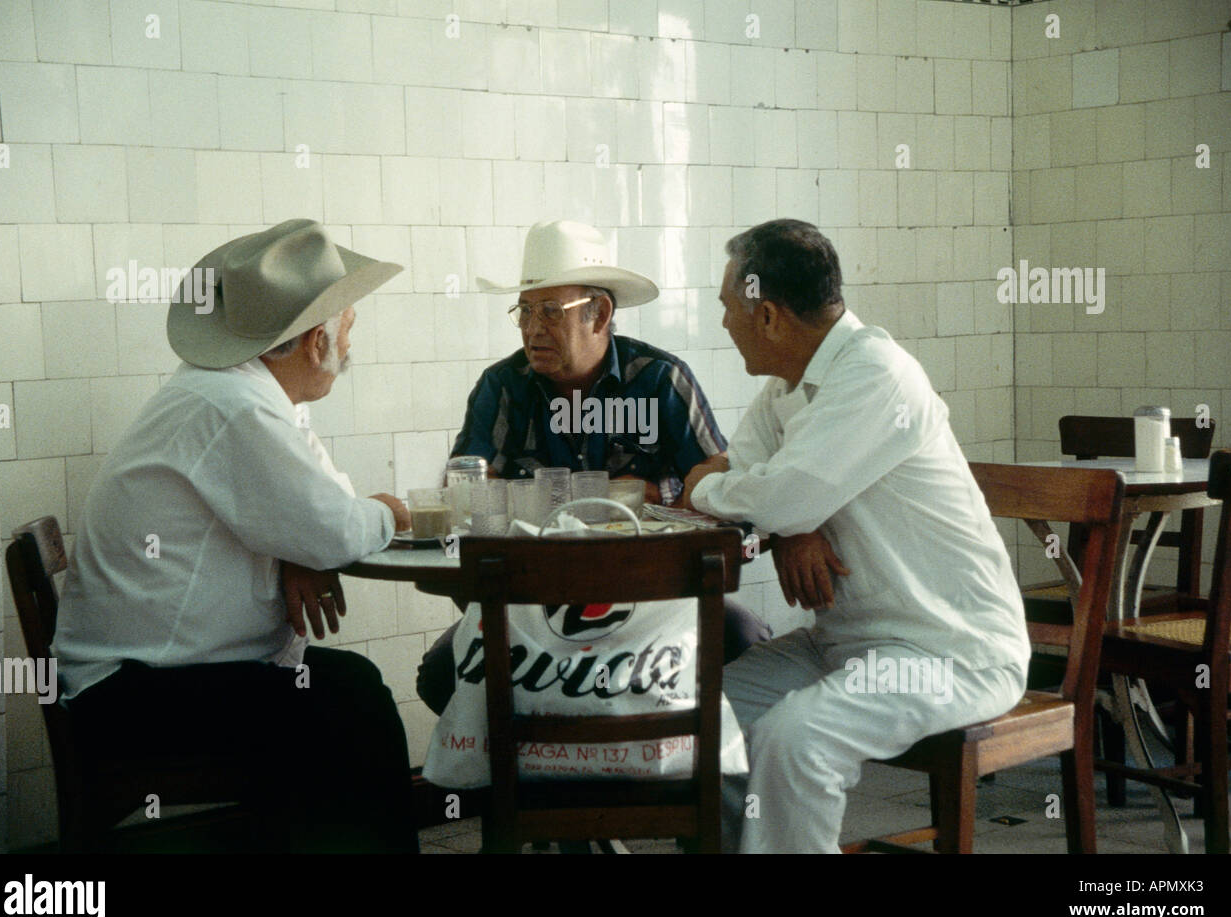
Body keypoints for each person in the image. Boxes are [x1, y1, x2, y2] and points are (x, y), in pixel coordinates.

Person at [53, 219, 418, 852]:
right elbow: (336, 526)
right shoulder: (234, 406)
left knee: (339, 695)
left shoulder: (247, 395)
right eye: (348, 325)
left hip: (149, 680)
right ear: (314, 341)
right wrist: (391, 508)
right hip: (132, 697)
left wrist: (295, 548)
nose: (352, 340)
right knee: (351, 700)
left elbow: (315, 513)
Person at [680, 219, 1029, 853]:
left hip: (949, 653)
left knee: (796, 741)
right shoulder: (785, 386)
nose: (723, 323)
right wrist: (790, 526)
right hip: (846, 644)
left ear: (768, 317)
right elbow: (762, 483)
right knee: (701, 715)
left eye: (729, 308)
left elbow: (775, 493)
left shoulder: (877, 373)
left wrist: (703, 490)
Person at [416, 220, 771, 715]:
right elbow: (465, 491)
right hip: (530, 611)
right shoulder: (502, 388)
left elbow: (724, 484)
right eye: (524, 310)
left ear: (599, 313)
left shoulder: (661, 381)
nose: (531, 328)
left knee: (745, 643)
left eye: (548, 312)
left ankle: (679, 779)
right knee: (441, 678)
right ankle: (542, 781)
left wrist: (658, 492)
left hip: (655, 606)